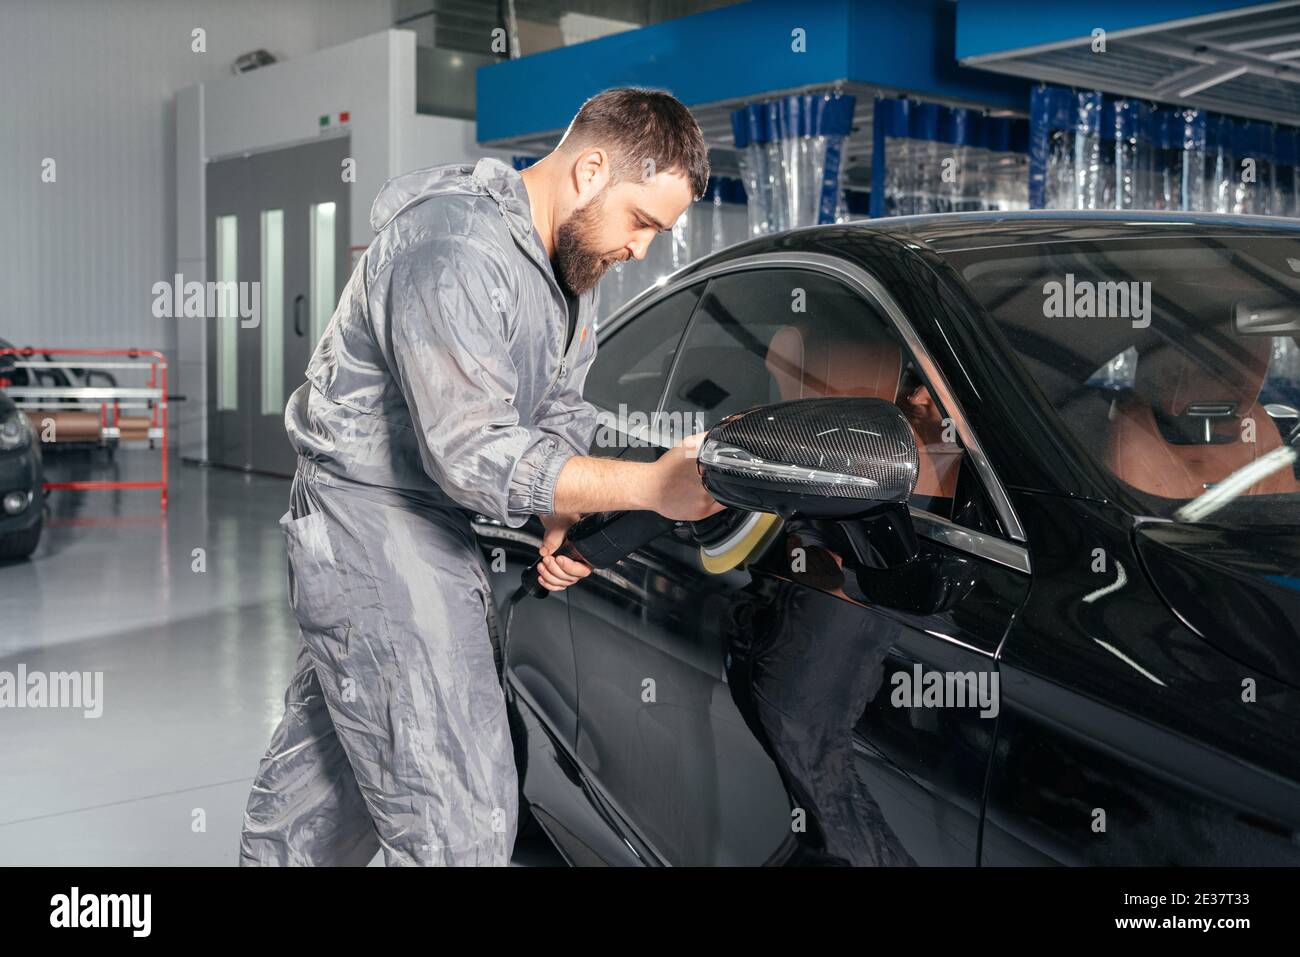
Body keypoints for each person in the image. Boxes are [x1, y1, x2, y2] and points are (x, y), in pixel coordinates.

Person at [238, 88, 723, 866]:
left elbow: (558, 403)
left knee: (325, 795)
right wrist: (649, 488)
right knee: (458, 821)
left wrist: (559, 507)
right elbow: (468, 451)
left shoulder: (565, 270)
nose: (641, 249)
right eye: (641, 221)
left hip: (423, 528)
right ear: (591, 170)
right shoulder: (453, 249)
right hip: (375, 530)